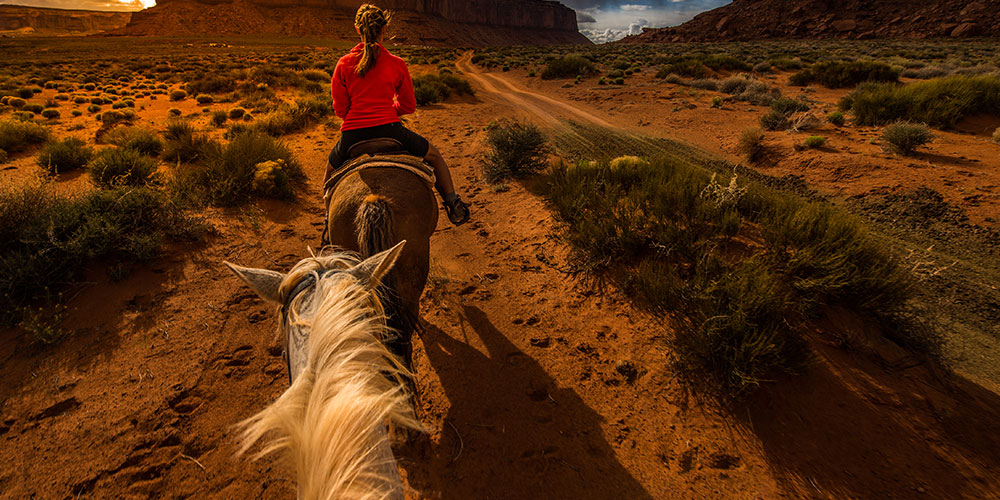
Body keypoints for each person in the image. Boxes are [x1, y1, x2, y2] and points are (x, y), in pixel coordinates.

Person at [325, 3, 470, 225]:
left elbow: (340, 109)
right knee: (434, 156)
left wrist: (358, 115)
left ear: (358, 29)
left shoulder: (343, 64)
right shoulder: (397, 63)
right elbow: (409, 106)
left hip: (352, 136)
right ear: (384, 29)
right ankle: (453, 203)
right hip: (390, 130)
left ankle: (328, 223)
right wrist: (388, 111)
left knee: (328, 178)